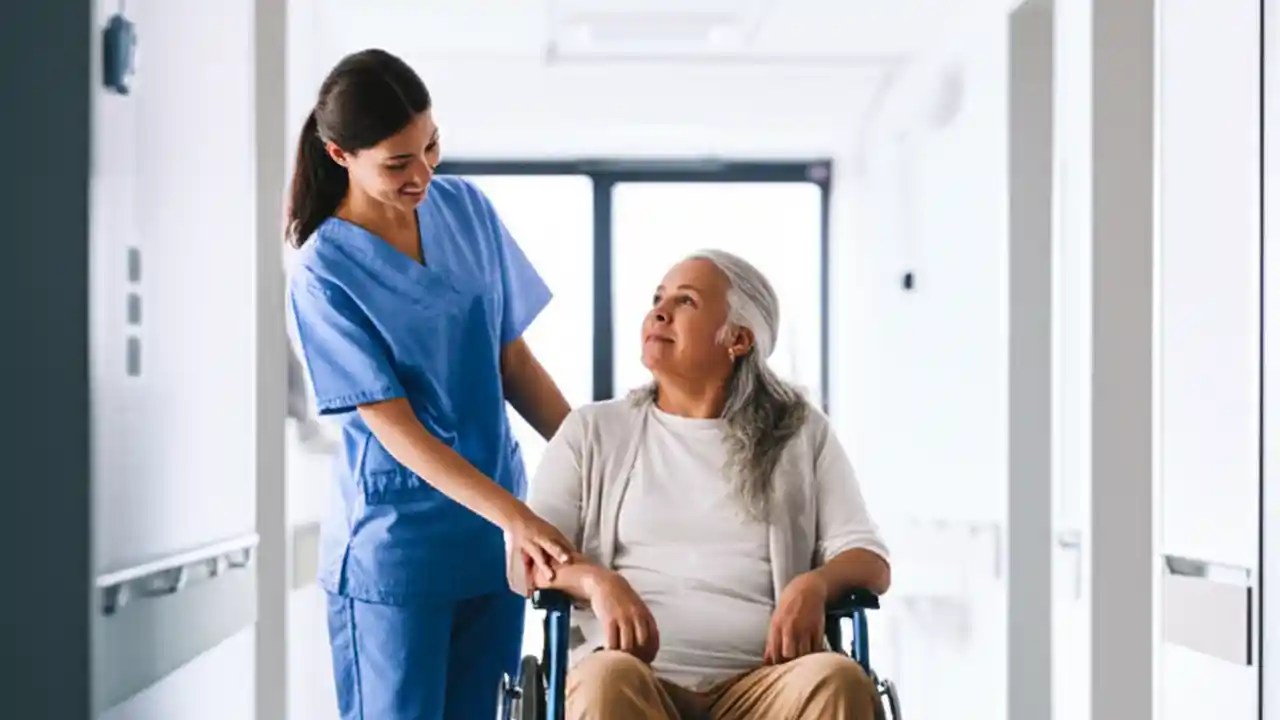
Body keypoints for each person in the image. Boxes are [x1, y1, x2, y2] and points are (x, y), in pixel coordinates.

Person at [285, 48, 575, 720]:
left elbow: (514, 366)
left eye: (431, 146)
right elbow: (397, 429)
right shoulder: (325, 272)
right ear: (340, 156)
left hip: (492, 544)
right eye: (397, 163)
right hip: (396, 552)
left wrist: (598, 451)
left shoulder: (466, 209)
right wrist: (516, 516)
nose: (423, 173)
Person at [510, 250, 892, 720]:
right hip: (634, 676)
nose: (659, 312)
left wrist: (814, 585)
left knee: (839, 680)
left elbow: (869, 561)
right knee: (607, 679)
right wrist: (597, 582)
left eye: (686, 301)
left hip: (765, 683)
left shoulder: (799, 435)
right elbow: (526, 561)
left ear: (738, 339)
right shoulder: (592, 432)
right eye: (658, 298)